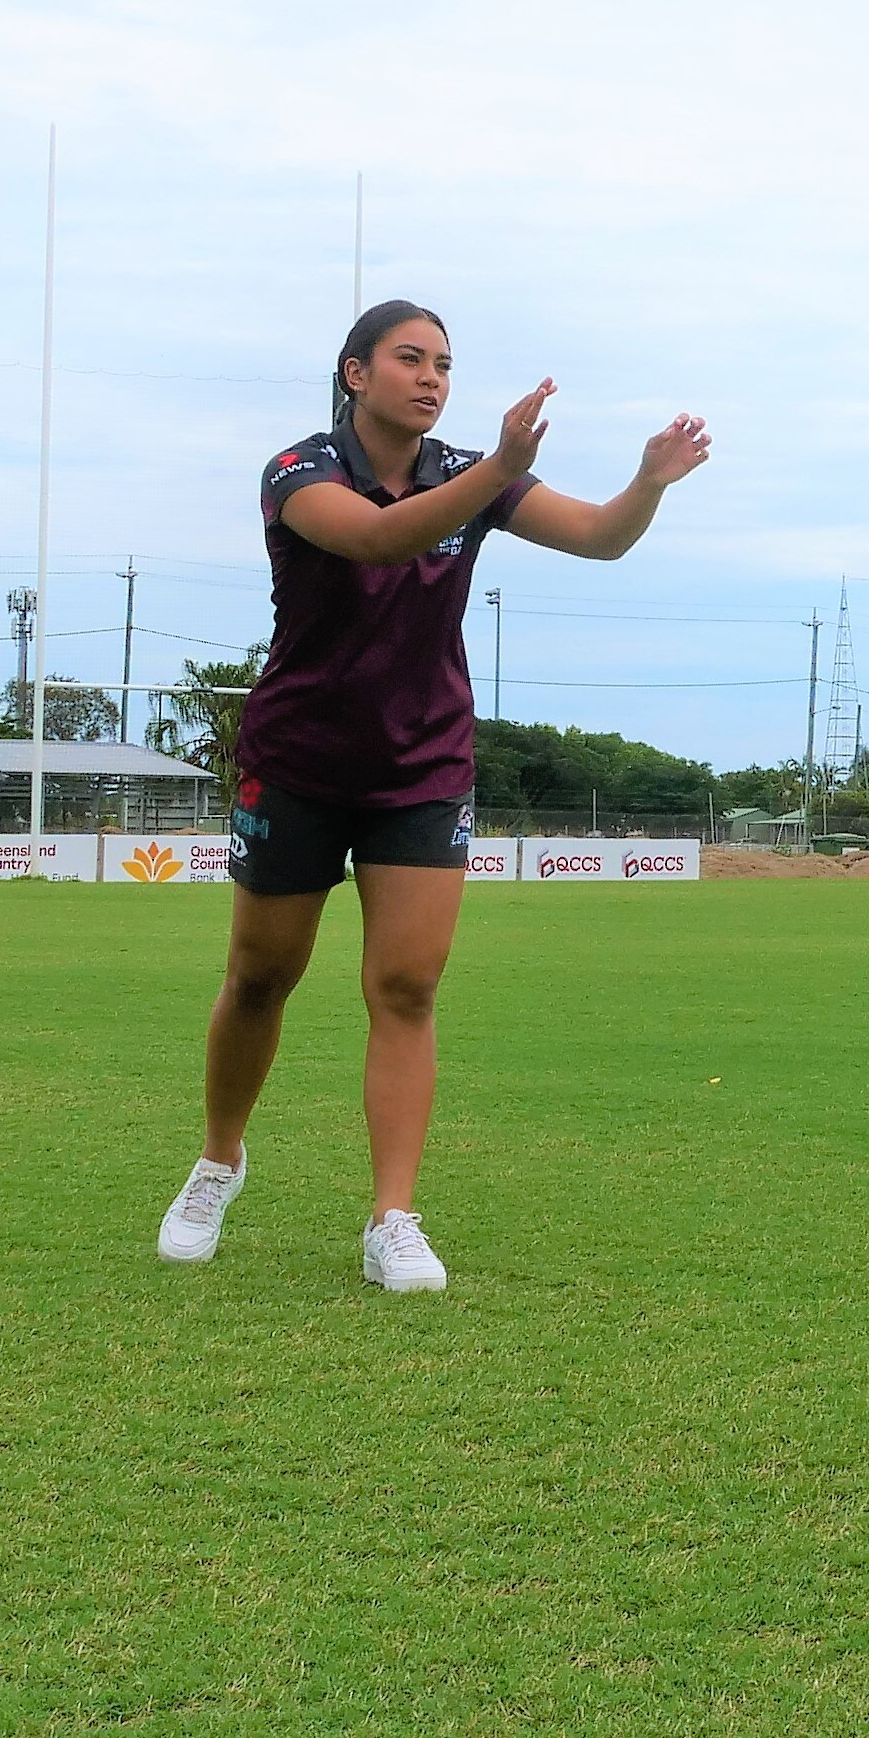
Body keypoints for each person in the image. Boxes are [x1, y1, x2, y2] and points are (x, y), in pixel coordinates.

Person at [153, 300, 711, 1291]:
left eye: (444, 364)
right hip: (299, 762)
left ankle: (391, 1218)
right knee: (259, 977)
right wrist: (498, 472)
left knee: (405, 988)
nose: (432, 378)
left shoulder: (465, 474)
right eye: (410, 359)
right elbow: (374, 541)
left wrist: (646, 483)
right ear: (356, 374)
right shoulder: (300, 473)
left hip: (423, 767)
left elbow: (599, 538)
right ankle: (219, 1161)